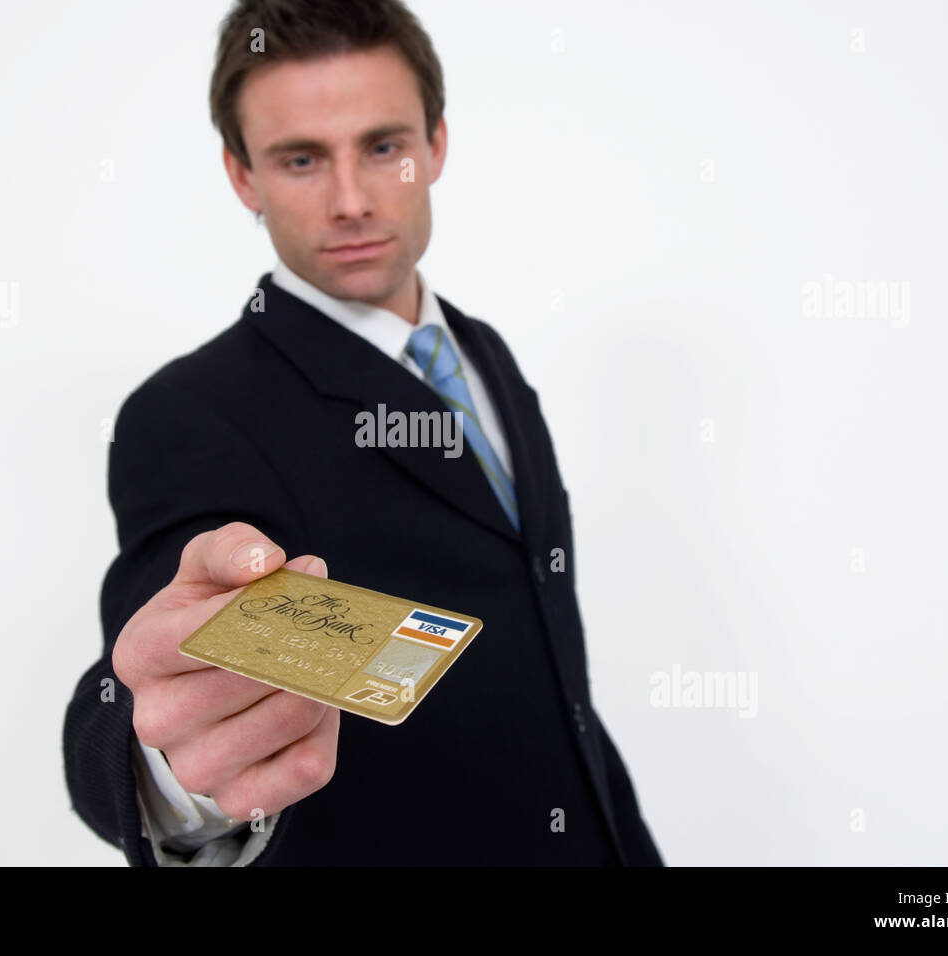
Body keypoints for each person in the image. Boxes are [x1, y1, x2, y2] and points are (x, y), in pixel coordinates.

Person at [61, 0, 664, 867]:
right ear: (243, 177)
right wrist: (166, 768)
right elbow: (139, 681)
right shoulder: (191, 412)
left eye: (384, 148)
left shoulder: (483, 354)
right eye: (301, 159)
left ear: (436, 146)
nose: (351, 201)